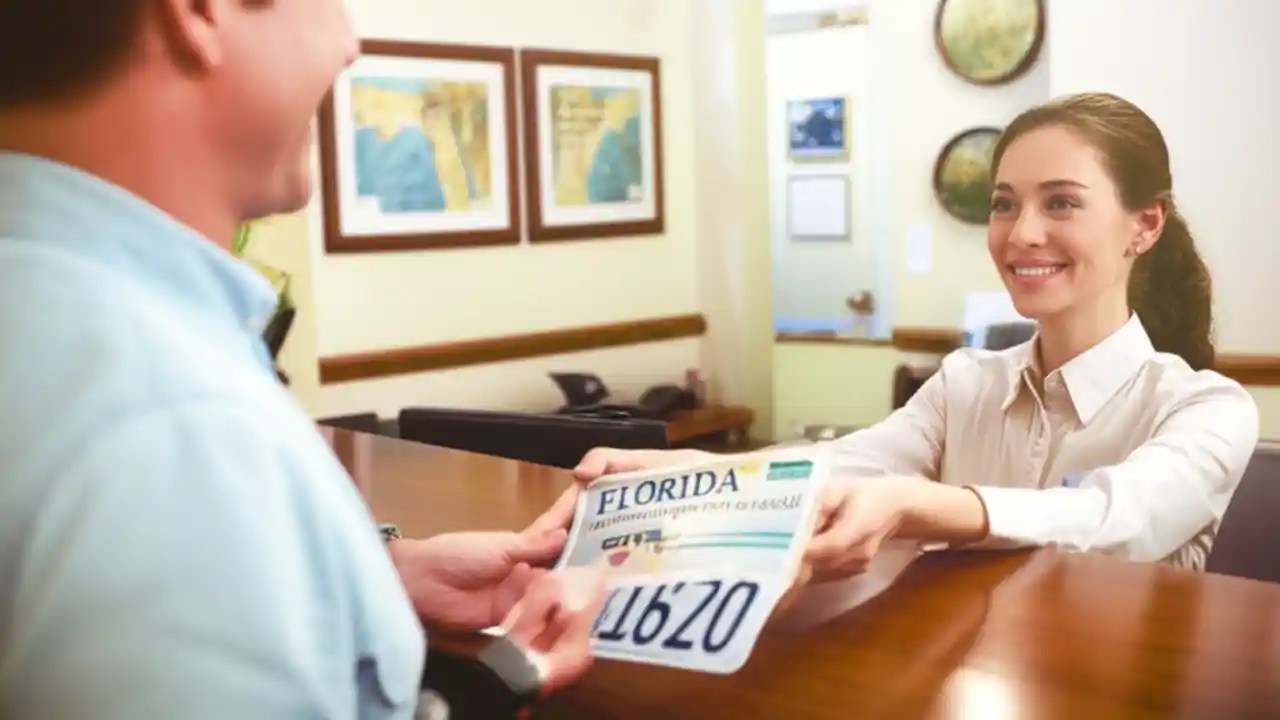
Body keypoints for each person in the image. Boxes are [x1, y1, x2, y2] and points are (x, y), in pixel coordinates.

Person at [0, 2, 603, 718]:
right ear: (201, 11)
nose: (350, 44)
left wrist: (378, 574)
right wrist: (506, 681)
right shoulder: (180, 429)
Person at [578, 92, 1259, 576]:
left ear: (1145, 225)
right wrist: (693, 473)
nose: (1022, 233)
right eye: (1003, 204)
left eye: (1061, 202)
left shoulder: (1207, 409)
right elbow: (841, 466)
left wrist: (921, 505)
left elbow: (1113, 523)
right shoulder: (966, 381)